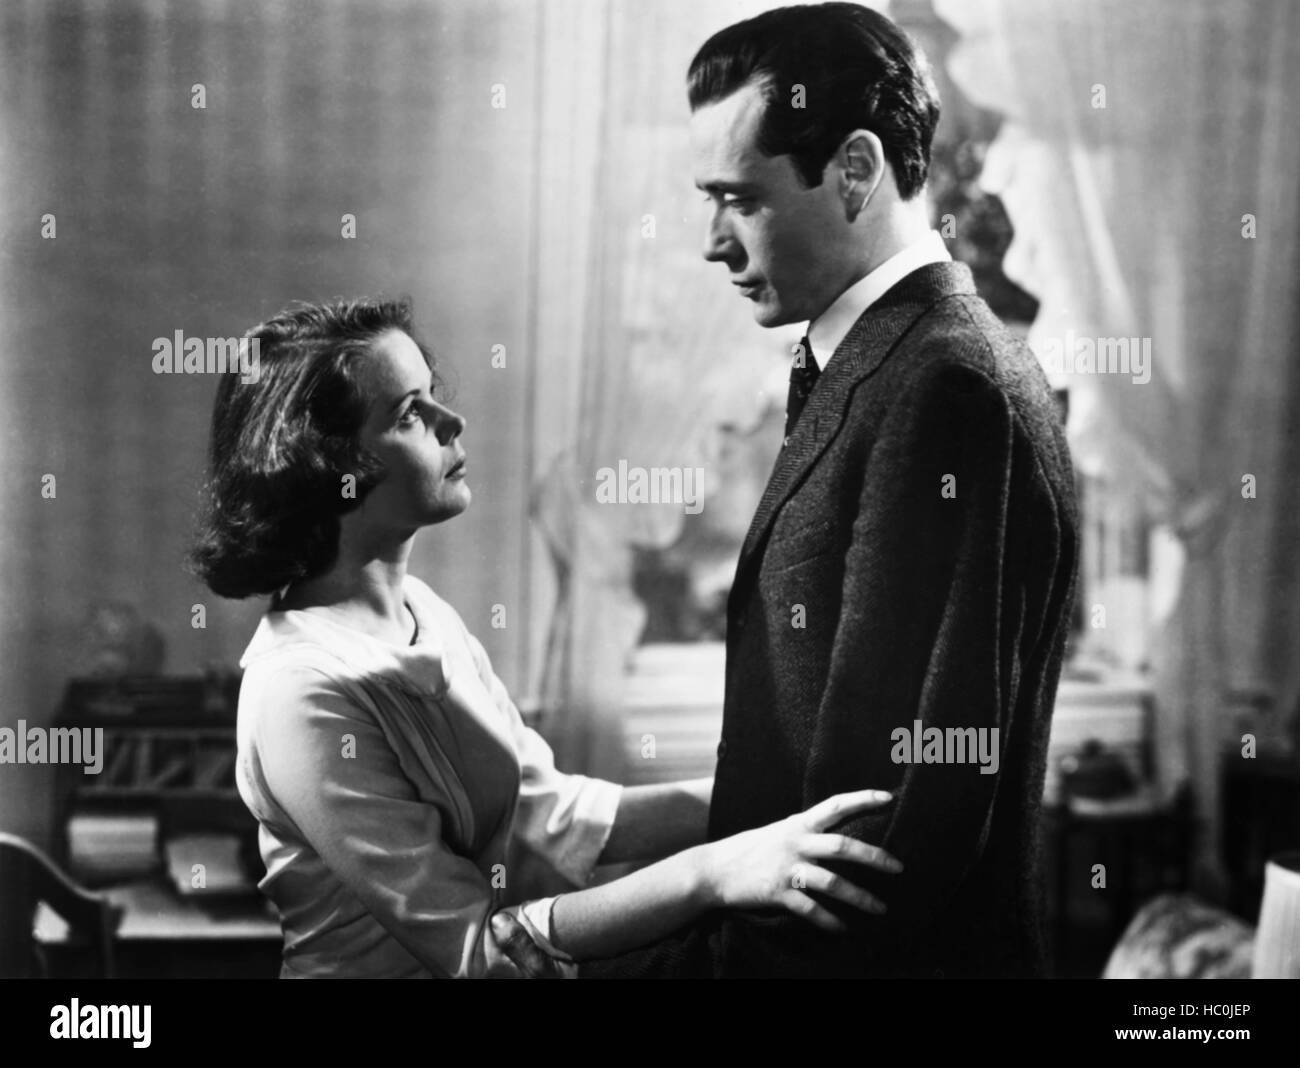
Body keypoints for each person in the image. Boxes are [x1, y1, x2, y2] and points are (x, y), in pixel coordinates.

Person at [188, 296, 901, 978]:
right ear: (330, 465)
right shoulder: (300, 687)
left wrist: (778, 796)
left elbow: (553, 814)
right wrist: (712, 874)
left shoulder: (422, 613)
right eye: (412, 412)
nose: (452, 419)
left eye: (435, 392)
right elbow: (475, 954)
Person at [583, 3, 1079, 978]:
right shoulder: (883, 363)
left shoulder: (946, 388)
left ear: (854, 171)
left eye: (741, 200)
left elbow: (876, 845)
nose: (711, 243)